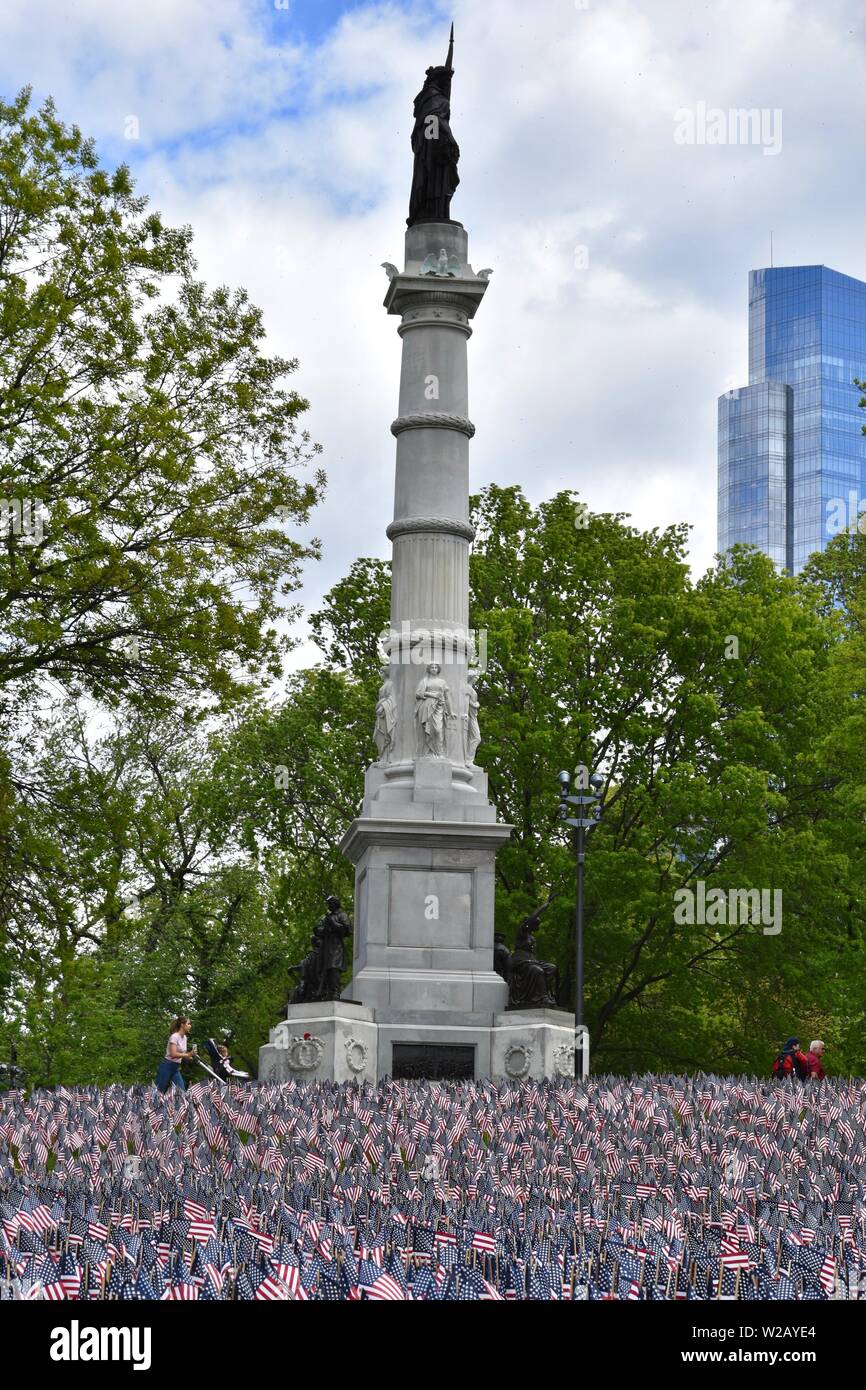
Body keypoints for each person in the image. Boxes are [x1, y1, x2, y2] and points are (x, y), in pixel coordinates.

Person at [155, 1016, 197, 1093]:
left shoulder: (184, 1038)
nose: (190, 1026)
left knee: (182, 1091)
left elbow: (182, 1054)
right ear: (182, 1025)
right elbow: (173, 1054)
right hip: (167, 1066)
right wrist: (188, 1055)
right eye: (188, 1024)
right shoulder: (174, 1037)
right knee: (159, 1091)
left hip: (175, 1068)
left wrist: (191, 1057)